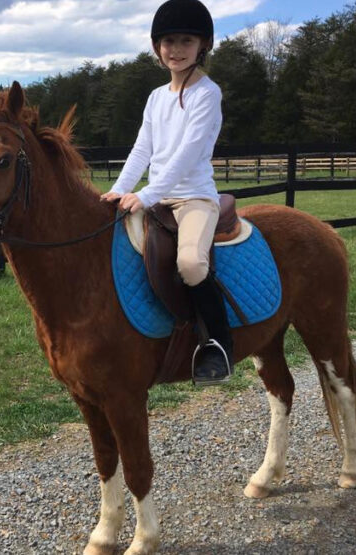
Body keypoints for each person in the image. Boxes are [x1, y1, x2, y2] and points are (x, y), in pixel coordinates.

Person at [100, 0, 231, 385]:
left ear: (202, 45)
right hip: (156, 196)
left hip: (194, 198)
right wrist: (120, 188)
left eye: (186, 40)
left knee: (190, 263)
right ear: (157, 47)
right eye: (168, 41)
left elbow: (188, 153)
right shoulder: (156, 97)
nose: (176, 49)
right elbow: (143, 149)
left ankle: (218, 345)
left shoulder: (208, 94)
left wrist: (148, 193)